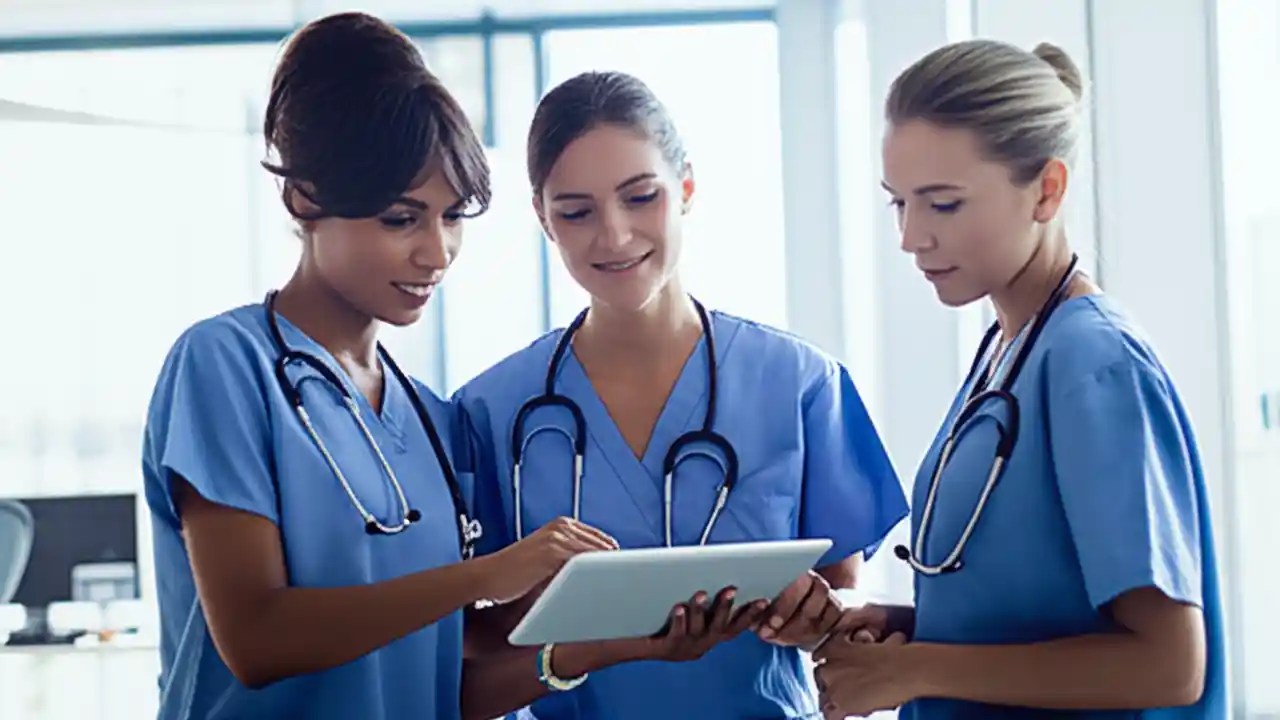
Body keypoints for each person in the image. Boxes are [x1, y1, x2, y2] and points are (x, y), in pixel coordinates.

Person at [141, 14, 722, 720]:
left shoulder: (428, 416)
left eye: (451, 217)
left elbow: (446, 670)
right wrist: (486, 574)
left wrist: (602, 641)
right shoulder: (226, 367)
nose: (436, 252)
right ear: (305, 199)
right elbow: (257, 640)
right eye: (401, 218)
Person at [453, 70, 909, 720]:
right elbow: (472, 637)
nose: (613, 235)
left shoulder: (801, 383)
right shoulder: (490, 411)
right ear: (543, 219)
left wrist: (815, 618)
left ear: (686, 187)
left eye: (641, 197)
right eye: (576, 212)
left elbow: (837, 609)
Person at [812, 40, 1226, 719]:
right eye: (899, 204)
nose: (911, 237)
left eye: (943, 204)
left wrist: (916, 668)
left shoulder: (1093, 362)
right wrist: (903, 631)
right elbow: (1033, 614)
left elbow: (1169, 665)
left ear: (1047, 190)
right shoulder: (1010, 350)